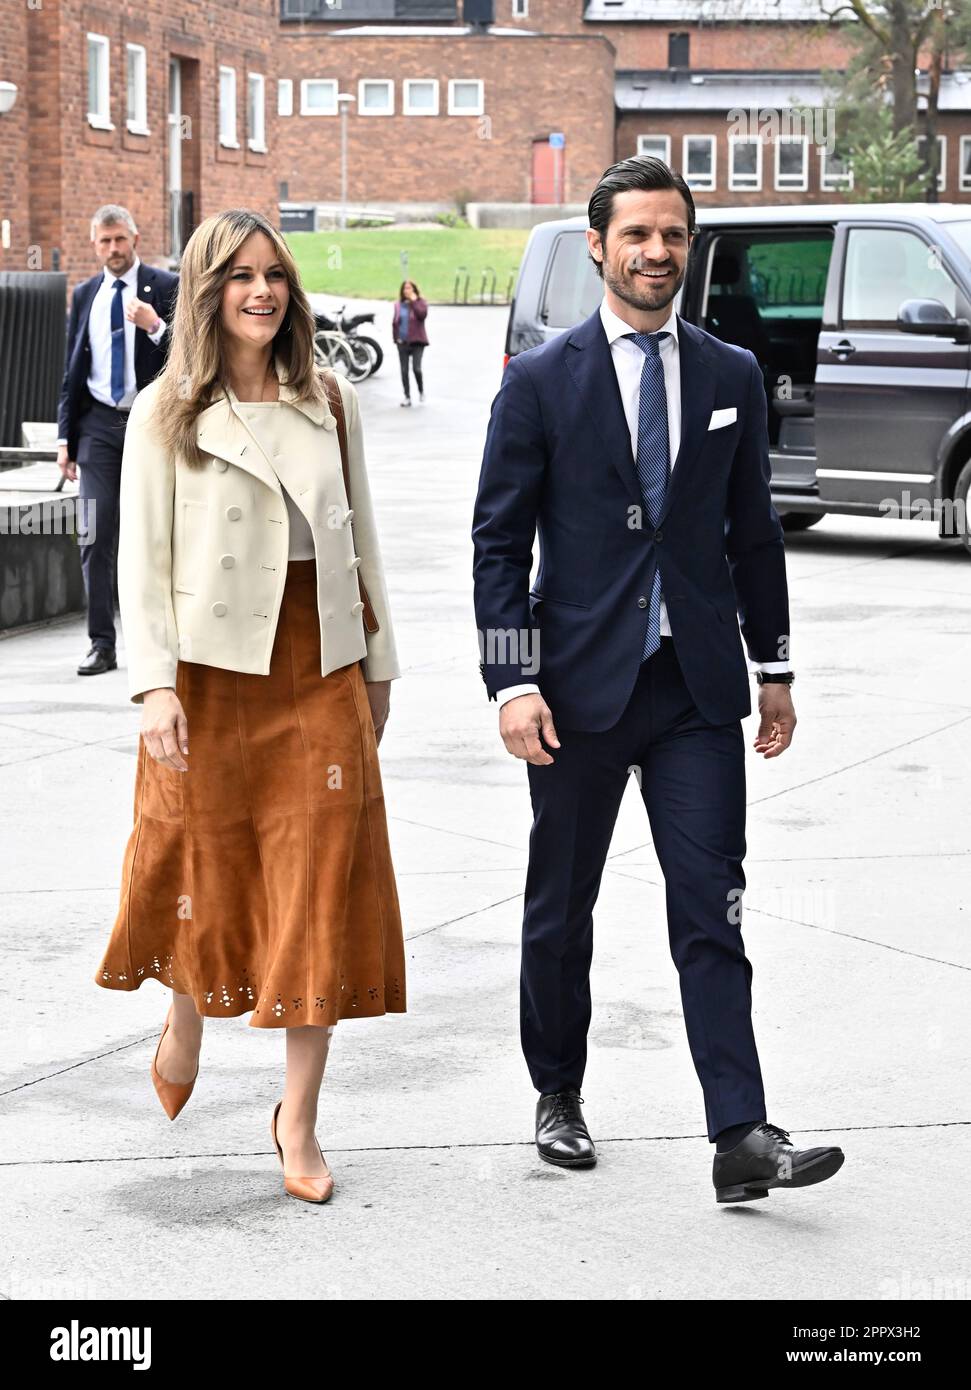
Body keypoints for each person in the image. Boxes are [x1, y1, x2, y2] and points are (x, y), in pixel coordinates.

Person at [471, 155, 845, 1205]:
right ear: (597, 246)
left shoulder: (727, 373)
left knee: (709, 908)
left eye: (671, 235)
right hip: (576, 691)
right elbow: (497, 544)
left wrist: (771, 667)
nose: (654, 253)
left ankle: (741, 1133)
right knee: (560, 905)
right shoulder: (541, 380)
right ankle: (557, 1093)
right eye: (635, 234)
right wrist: (511, 684)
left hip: (693, 690)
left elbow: (750, 535)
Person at [93, 208, 405, 1206]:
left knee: (319, 888)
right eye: (239, 277)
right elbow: (140, 564)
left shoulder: (331, 399)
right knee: (199, 861)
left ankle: (299, 1120)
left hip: (317, 668)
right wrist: (153, 687)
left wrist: (380, 664)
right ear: (206, 291)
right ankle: (185, 1011)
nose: (261, 292)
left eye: (274, 274)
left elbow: (361, 546)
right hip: (210, 672)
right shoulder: (165, 411)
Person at [56, 205, 178, 677]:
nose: (113, 249)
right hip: (98, 428)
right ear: (94, 244)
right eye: (104, 242)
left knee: (160, 531)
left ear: (135, 237)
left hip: (153, 423)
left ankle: (167, 640)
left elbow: (189, 357)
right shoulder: (85, 294)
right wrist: (65, 438)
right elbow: (72, 371)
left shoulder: (165, 287)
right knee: (95, 530)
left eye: (120, 240)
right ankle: (101, 643)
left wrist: (153, 325)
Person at [391, 280, 428, 406]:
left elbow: (422, 315)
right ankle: (407, 396)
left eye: (409, 288)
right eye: (405, 288)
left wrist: (414, 301)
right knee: (404, 370)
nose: (407, 291)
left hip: (417, 341)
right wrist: (396, 338)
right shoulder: (398, 304)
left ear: (414, 290)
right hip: (402, 342)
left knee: (416, 369)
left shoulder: (421, 303)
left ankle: (421, 390)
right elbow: (395, 322)